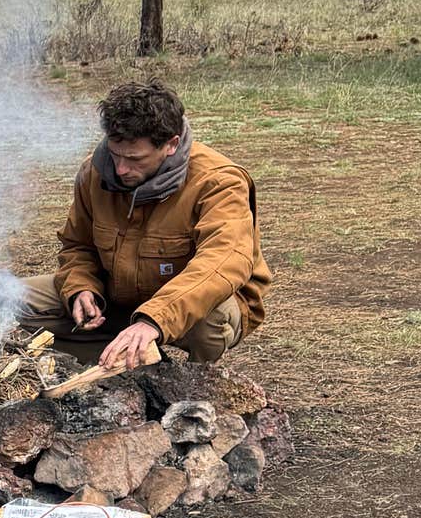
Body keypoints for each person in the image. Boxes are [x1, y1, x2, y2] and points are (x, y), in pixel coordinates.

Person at [22, 79, 271, 369]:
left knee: (213, 316)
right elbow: (78, 245)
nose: (120, 169)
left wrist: (155, 319)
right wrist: (80, 288)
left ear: (171, 144)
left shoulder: (218, 182)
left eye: (134, 158)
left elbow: (223, 263)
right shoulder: (95, 172)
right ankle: (133, 367)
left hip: (190, 306)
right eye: (115, 155)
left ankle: (194, 383)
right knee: (14, 299)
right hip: (119, 299)